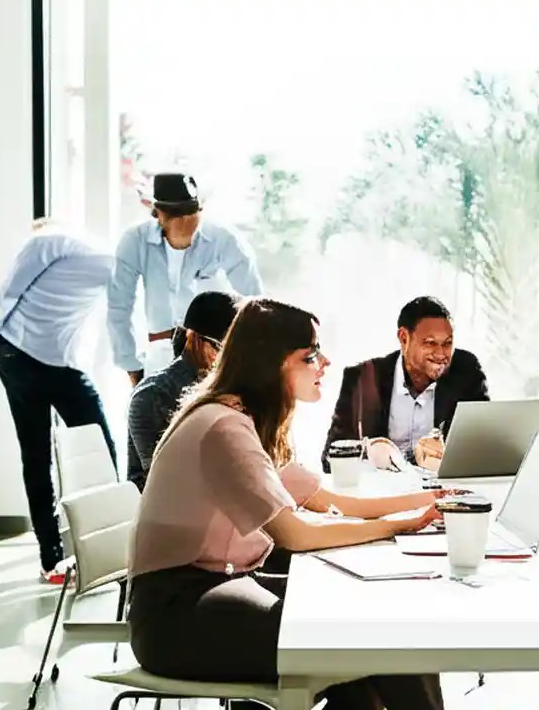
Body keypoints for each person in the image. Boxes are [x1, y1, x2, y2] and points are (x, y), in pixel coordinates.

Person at [128, 298, 447, 709]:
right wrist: (399, 525)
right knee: (378, 636)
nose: (325, 363)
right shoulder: (224, 427)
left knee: (375, 639)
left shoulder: (248, 421)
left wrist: (430, 500)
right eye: (310, 355)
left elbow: (328, 502)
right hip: (175, 614)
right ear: (271, 364)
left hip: (218, 585)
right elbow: (295, 534)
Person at [0, 219, 117, 583]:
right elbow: (12, 291)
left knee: (46, 455)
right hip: (23, 355)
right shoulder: (70, 249)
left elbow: (11, 288)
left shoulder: (52, 242)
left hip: (41, 358)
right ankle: (55, 558)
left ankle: (79, 552)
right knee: (56, 454)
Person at [107, 172, 263, 386]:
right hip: (159, 356)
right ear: (158, 215)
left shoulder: (225, 240)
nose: (187, 220)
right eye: (179, 215)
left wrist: (249, 360)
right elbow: (119, 306)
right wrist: (131, 365)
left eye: (192, 212)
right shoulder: (135, 241)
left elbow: (255, 303)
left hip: (213, 355)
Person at [323, 296, 489, 472]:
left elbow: (485, 448)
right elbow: (330, 460)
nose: (441, 354)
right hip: (381, 487)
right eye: (430, 343)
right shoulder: (362, 378)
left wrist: (447, 455)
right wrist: (370, 452)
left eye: (447, 343)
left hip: (441, 486)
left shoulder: (467, 372)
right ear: (404, 338)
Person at [126, 290, 238, 491]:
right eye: (222, 349)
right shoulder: (152, 395)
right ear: (193, 338)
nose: (229, 362)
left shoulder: (230, 388)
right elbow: (164, 480)